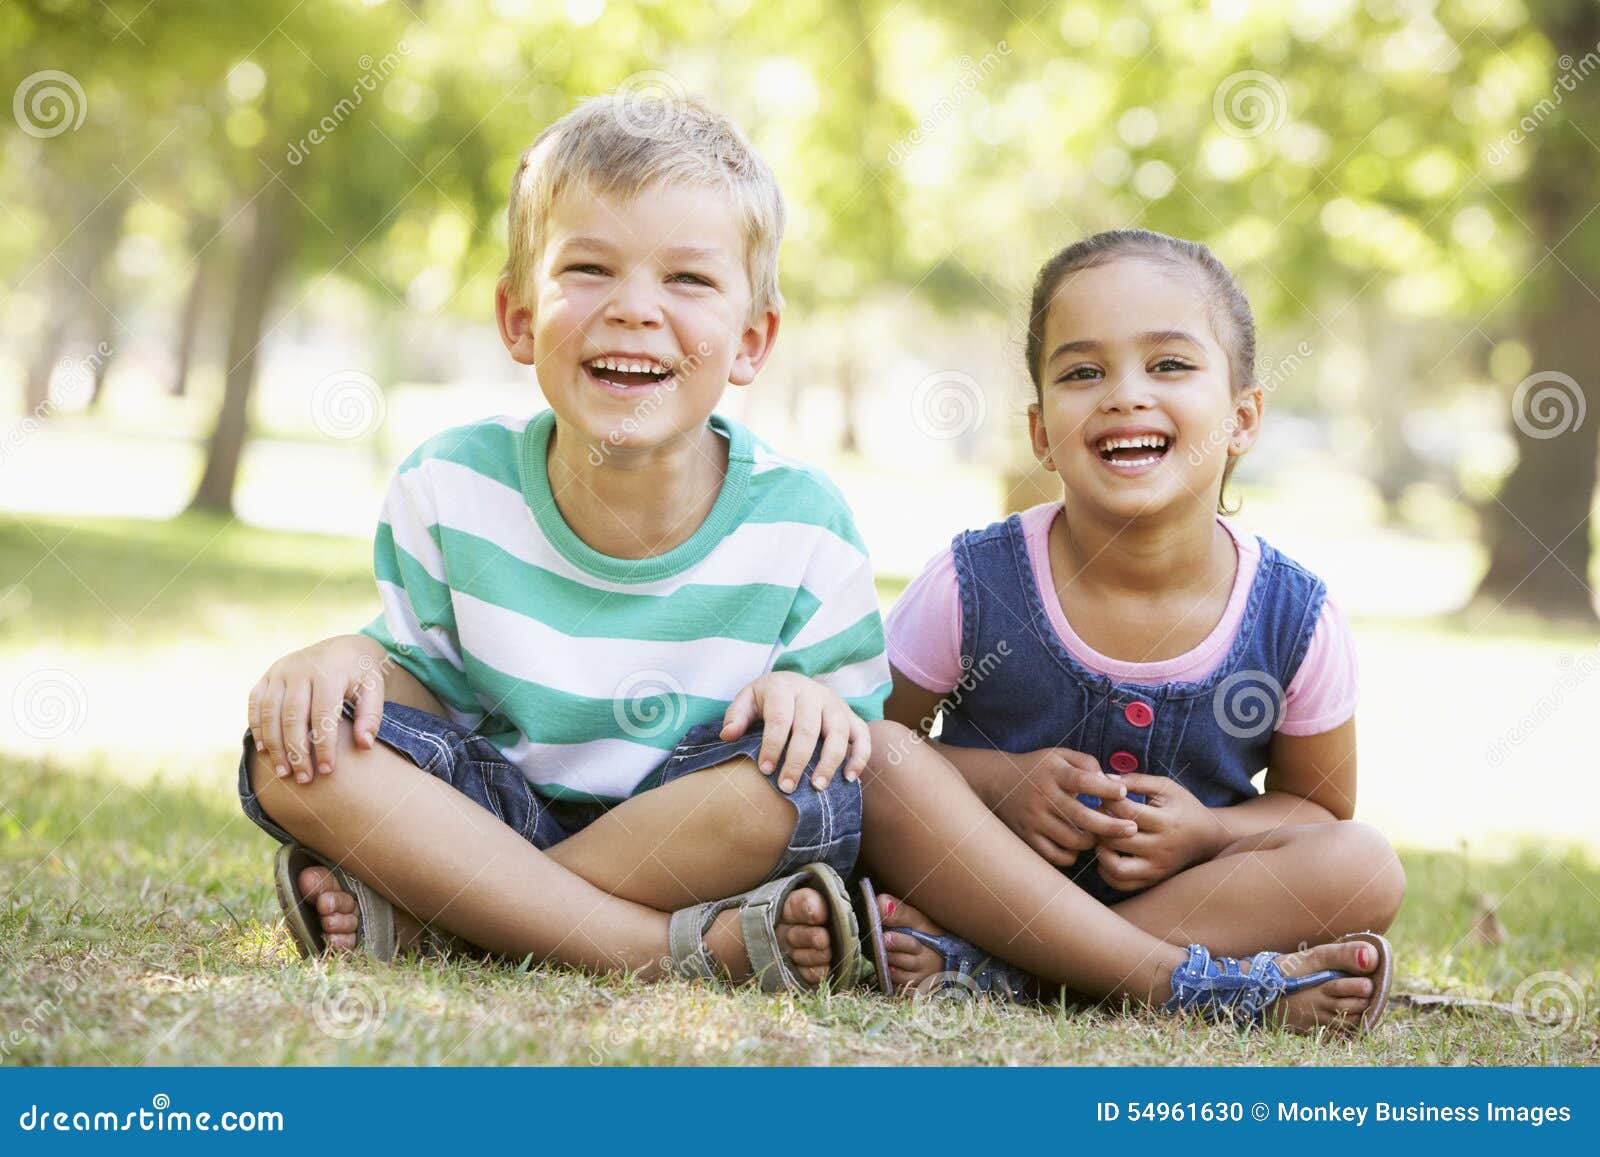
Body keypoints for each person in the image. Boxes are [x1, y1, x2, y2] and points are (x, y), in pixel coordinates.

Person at [237, 93, 890, 993]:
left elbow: (853, 746)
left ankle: (459, 918)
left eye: (688, 280)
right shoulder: (450, 486)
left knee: (798, 789)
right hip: (496, 808)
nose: (634, 310)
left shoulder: (805, 521)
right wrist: (343, 657)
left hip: (686, 828)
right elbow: (420, 692)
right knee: (295, 749)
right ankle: (671, 949)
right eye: (588, 269)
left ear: (751, 339)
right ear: (516, 319)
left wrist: (804, 695)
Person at [856, 229, 1405, 1031]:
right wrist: (1002, 781)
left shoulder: (1297, 617)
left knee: (1366, 867)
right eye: (1084, 372)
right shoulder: (972, 583)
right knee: (866, 769)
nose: (1124, 394)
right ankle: (1196, 986)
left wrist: (1208, 831)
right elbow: (874, 750)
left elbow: (1316, 812)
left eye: (1170, 365)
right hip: (983, 880)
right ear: (1042, 430)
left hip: (1189, 901)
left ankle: (1007, 973)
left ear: (1244, 417)